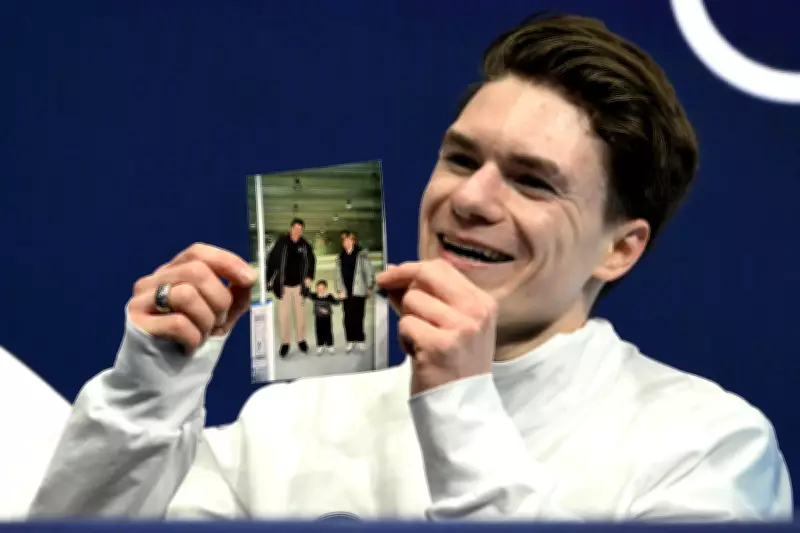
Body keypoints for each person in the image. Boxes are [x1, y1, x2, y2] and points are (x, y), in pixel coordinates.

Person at [31, 12, 791, 521]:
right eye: (460, 158)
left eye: (532, 180)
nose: (470, 198)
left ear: (620, 248)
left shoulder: (708, 442)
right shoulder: (291, 421)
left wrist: (460, 406)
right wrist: (146, 393)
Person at [266, 218, 316, 357]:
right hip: (284, 287)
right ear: (291, 228)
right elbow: (271, 262)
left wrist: (309, 276)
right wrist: (268, 280)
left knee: (300, 315)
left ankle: (301, 340)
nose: (297, 231)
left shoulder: (305, 245)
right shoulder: (281, 243)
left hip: (300, 287)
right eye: (295, 228)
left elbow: (312, 261)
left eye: (300, 229)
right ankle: (285, 343)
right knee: (283, 316)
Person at [335, 231, 376, 353]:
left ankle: (360, 340)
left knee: (358, 317)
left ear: (354, 241)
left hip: (359, 290)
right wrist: (339, 289)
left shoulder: (361, 255)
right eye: (344, 240)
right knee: (347, 318)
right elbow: (337, 275)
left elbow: (369, 271)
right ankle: (350, 340)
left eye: (348, 240)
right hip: (346, 291)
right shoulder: (340, 257)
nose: (346, 242)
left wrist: (369, 286)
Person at [307, 280, 339, 355]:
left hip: (327, 318)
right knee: (319, 331)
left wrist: (340, 298)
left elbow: (335, 302)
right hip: (318, 318)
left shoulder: (329, 296)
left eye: (322, 289)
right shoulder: (315, 296)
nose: (320, 290)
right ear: (316, 289)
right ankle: (320, 345)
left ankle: (330, 345)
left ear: (326, 288)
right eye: (318, 289)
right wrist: (307, 287)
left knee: (328, 331)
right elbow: (307, 294)